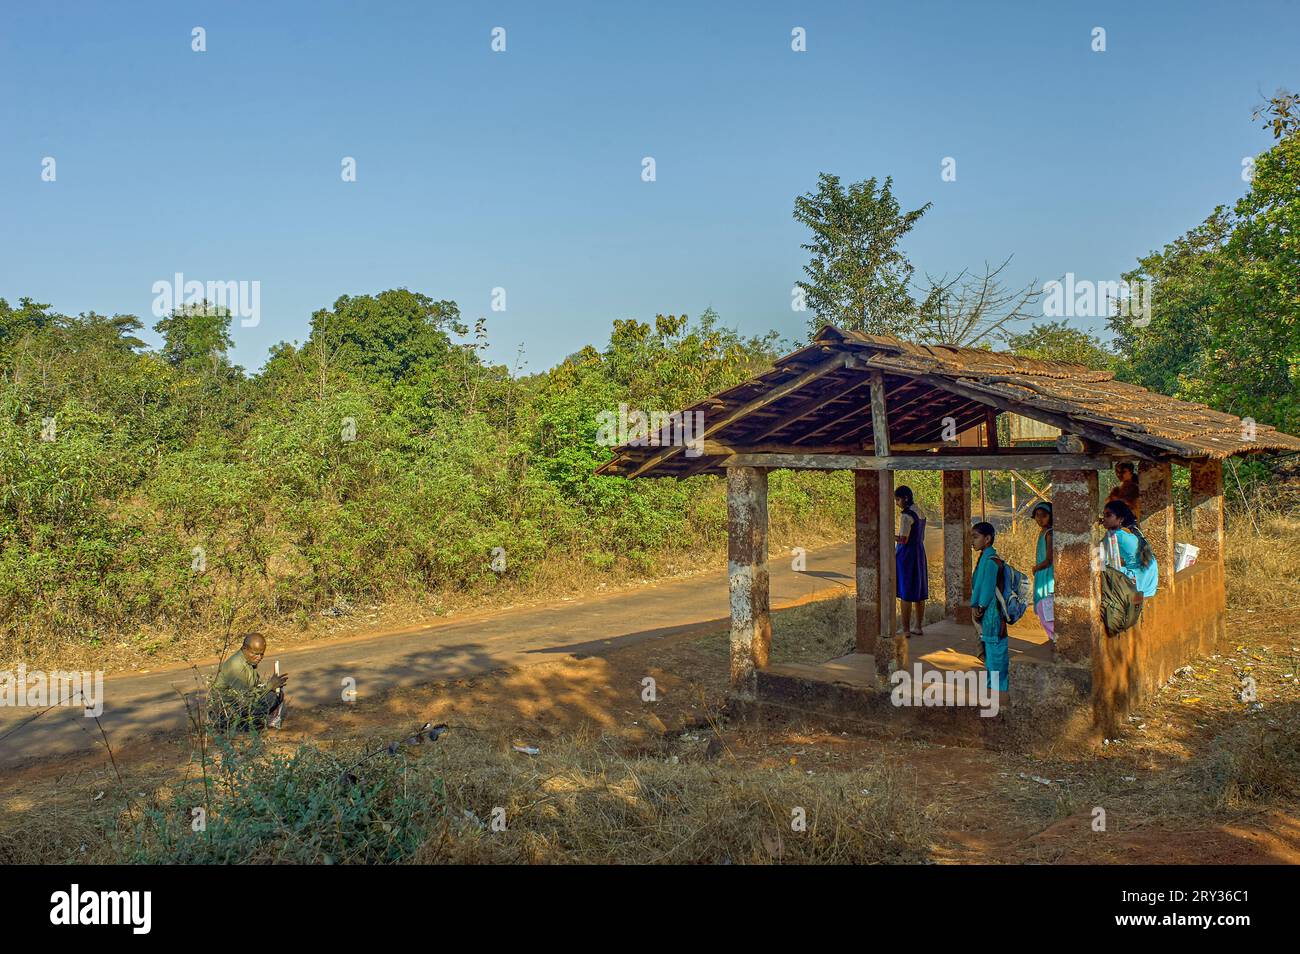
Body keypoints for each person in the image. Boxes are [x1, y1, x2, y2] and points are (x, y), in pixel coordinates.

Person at [210, 632, 288, 732]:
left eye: (261, 654)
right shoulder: (237, 666)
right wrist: (268, 687)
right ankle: (243, 725)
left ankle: (253, 722)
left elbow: (253, 688)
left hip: (237, 705)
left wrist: (273, 686)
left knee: (277, 693)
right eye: (255, 653)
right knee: (271, 697)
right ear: (244, 649)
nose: (259, 657)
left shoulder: (249, 661)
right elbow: (244, 701)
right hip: (224, 714)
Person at [970, 521, 1009, 693]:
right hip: (989, 611)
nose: (972, 541)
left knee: (994, 649)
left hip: (991, 612)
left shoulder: (991, 561)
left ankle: (998, 686)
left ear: (987, 539)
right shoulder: (986, 557)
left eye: (975, 537)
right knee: (990, 648)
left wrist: (980, 607)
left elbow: (986, 588)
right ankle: (993, 683)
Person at [1100, 500, 1158, 600]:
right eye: (1103, 515)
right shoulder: (1132, 531)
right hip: (1150, 583)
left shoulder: (1114, 535)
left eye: (1108, 515)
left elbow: (1097, 557)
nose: (1103, 519)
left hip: (1138, 584)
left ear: (1120, 519)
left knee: (1101, 569)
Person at [894, 485, 929, 637]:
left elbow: (903, 539)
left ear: (905, 498)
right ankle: (918, 626)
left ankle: (906, 629)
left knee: (905, 591)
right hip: (919, 552)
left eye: (898, 499)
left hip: (906, 554)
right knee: (919, 590)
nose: (897, 503)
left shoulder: (905, 516)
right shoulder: (920, 511)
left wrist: (889, 535)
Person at [1030, 503, 1055, 644]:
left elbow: (1049, 559)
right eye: (1037, 516)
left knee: (1045, 608)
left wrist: (1036, 568)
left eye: (1044, 516)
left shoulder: (1050, 533)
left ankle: (1053, 638)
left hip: (1046, 574)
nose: (1040, 519)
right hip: (1042, 573)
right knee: (1045, 609)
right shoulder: (1043, 532)